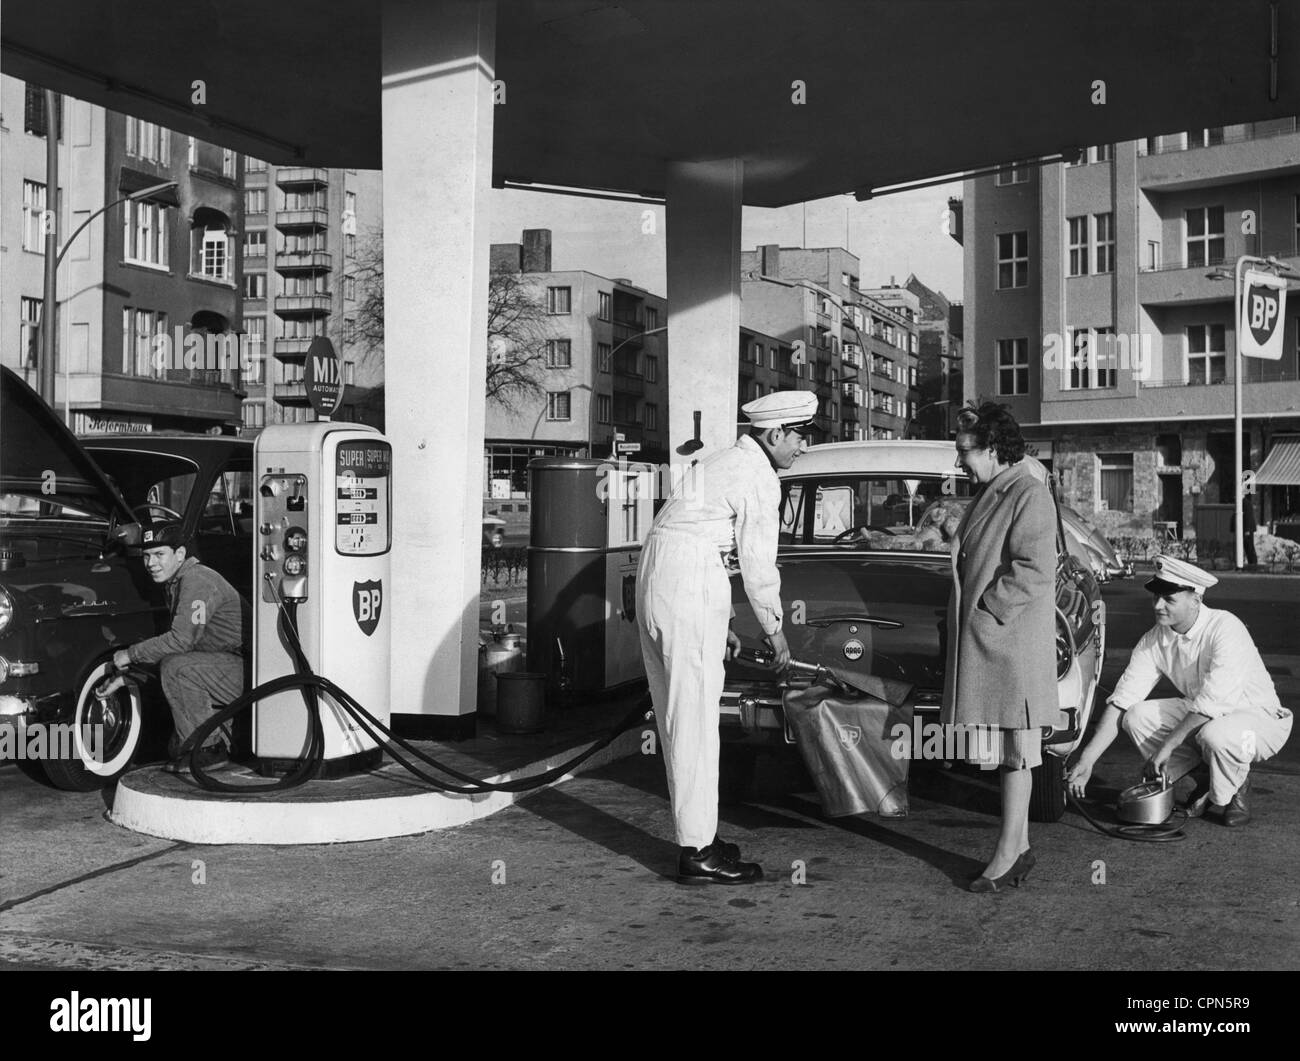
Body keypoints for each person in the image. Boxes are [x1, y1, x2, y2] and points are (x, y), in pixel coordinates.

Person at [636, 390, 815, 884]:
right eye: (801, 436)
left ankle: (700, 836)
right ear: (776, 434)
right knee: (693, 721)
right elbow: (758, 565)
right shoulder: (758, 476)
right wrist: (775, 632)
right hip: (688, 580)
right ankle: (698, 853)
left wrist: (726, 625)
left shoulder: (722, 463)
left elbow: (698, 537)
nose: (803, 446)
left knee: (678, 714)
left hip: (662, 576)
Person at [1066, 555, 1291, 826]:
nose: (1158, 606)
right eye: (1156, 598)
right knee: (1135, 716)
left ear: (1195, 600)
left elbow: (1212, 704)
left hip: (1257, 721)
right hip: (1205, 713)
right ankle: (1206, 777)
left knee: (1216, 735)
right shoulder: (1156, 638)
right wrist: (1087, 760)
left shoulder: (1226, 627)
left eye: (1169, 600)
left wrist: (1167, 747)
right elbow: (1123, 700)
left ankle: (1237, 786)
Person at [942, 402, 1057, 893]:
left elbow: (1034, 568)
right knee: (1014, 750)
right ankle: (1020, 847)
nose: (959, 462)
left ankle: (1008, 854)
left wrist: (988, 610)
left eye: (964, 452)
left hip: (1010, 644)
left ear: (992, 448)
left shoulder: (1027, 493)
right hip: (1000, 643)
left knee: (1018, 752)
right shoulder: (997, 490)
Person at [100, 522, 251, 772]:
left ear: (179, 555)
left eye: (160, 554)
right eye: (147, 556)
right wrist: (132, 677)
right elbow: (182, 647)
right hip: (227, 668)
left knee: (177, 668)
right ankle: (211, 742)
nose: (151, 563)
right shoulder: (177, 582)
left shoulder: (197, 580)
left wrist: (130, 654)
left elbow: (181, 641)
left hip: (251, 674)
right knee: (175, 748)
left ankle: (209, 749)